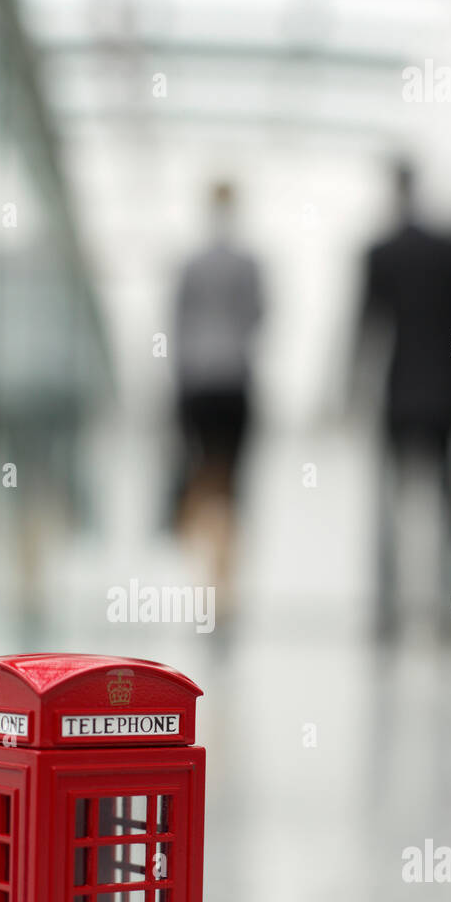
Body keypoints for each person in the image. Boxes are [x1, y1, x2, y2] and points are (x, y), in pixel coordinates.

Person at [358, 161, 451, 641]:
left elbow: (367, 328)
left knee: (390, 503)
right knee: (448, 506)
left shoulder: (382, 252)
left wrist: (354, 393)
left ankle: (388, 609)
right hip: (447, 395)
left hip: (399, 393)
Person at [172, 182, 264, 618]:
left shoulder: (191, 264)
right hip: (233, 382)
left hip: (197, 383)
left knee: (204, 477)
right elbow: (259, 317)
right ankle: (223, 584)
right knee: (230, 482)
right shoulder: (248, 264)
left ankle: (208, 579)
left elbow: (177, 324)